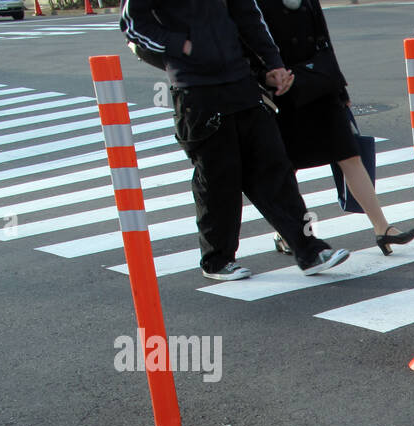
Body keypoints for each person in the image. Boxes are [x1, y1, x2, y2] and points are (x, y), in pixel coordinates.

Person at [120, 0, 350, 280]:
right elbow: (133, 26)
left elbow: (249, 16)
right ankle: (217, 260)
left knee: (275, 168)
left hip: (241, 81)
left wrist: (272, 63)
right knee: (218, 180)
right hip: (194, 89)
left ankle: (308, 249)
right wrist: (181, 45)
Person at [253, 0, 414, 256]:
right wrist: (265, 76)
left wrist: (339, 87)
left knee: (349, 154)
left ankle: (382, 228)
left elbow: (323, 38)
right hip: (283, 89)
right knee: (288, 166)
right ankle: (287, 232)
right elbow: (249, 39)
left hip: (320, 82)